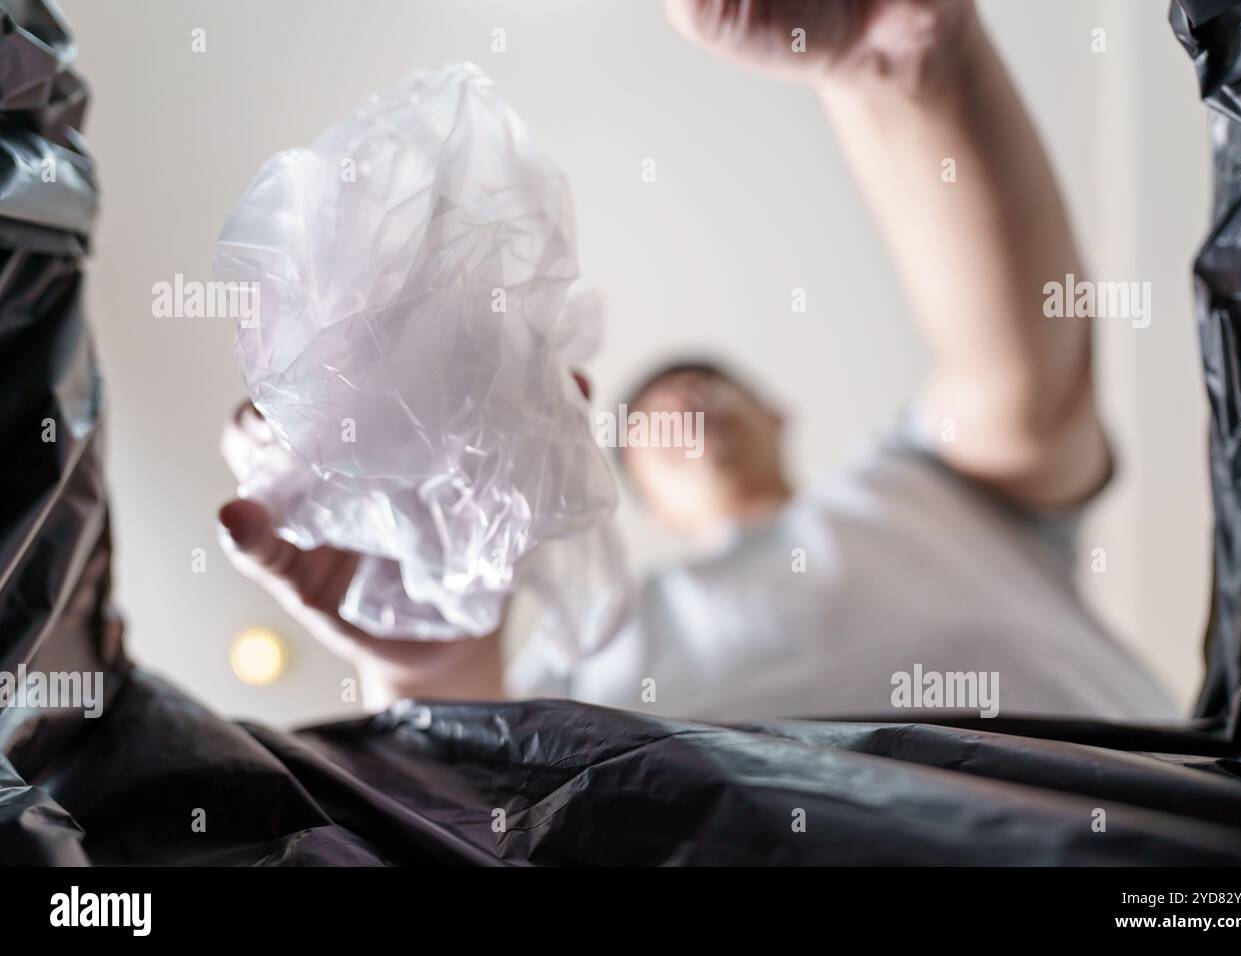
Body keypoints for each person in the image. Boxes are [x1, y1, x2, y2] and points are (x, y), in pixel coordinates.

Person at [218, 0, 1176, 722]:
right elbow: (474, 784)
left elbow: (1021, 376)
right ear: (636, 491)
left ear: (780, 417)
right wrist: (425, 654)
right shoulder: (577, 662)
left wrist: (903, 63)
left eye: (708, 390)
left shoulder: (929, 493)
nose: (686, 407)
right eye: (654, 423)